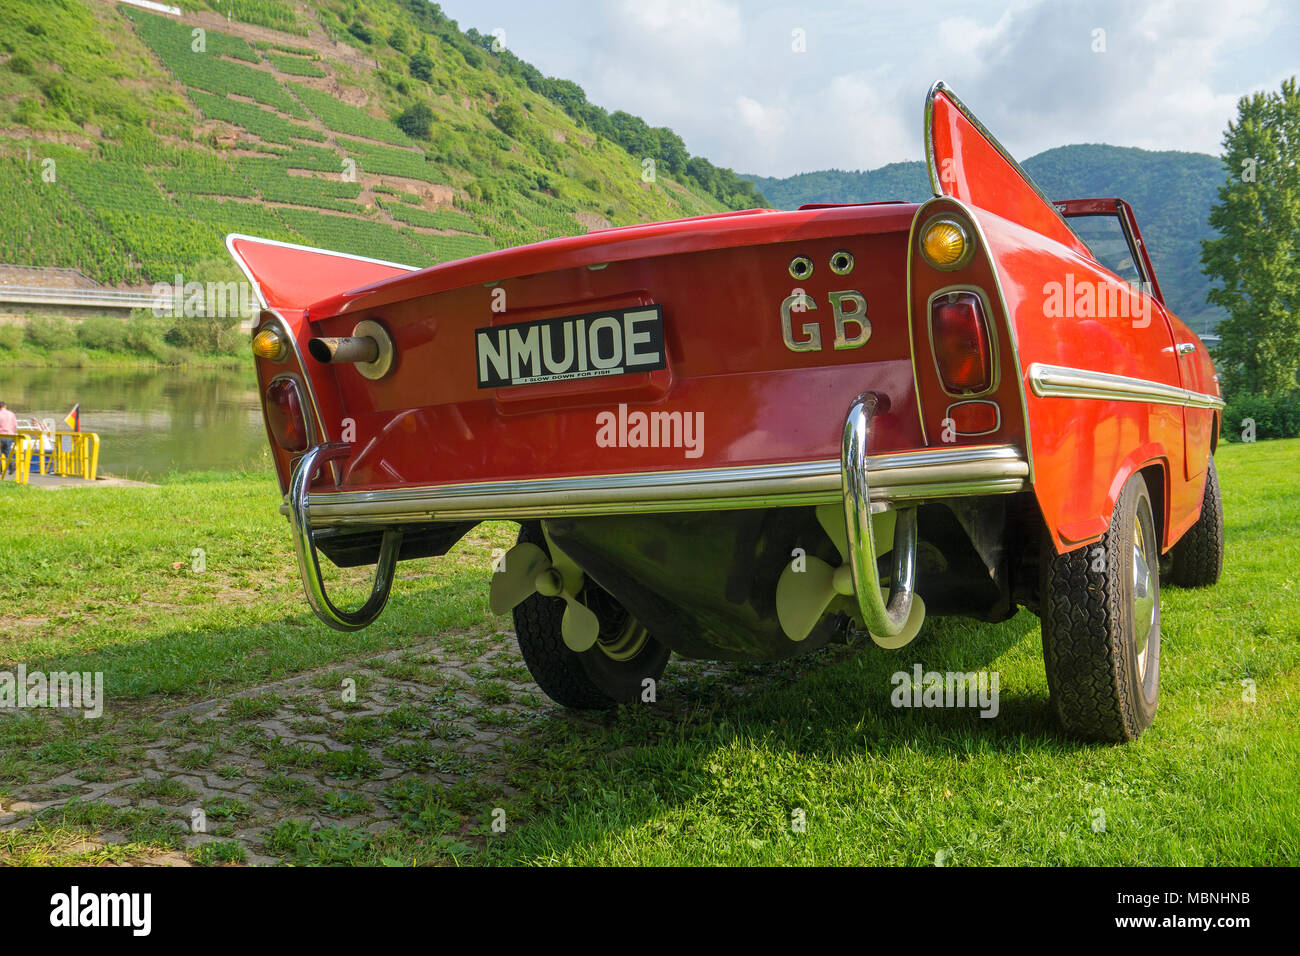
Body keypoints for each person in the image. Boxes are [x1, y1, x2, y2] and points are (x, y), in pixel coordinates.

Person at [0, 401, 17, 479]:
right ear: (5, 406)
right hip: (10, 435)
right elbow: (15, 425)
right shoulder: (11, 414)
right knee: (8, 451)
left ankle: (0, 469)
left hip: (1, 435)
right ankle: (12, 464)